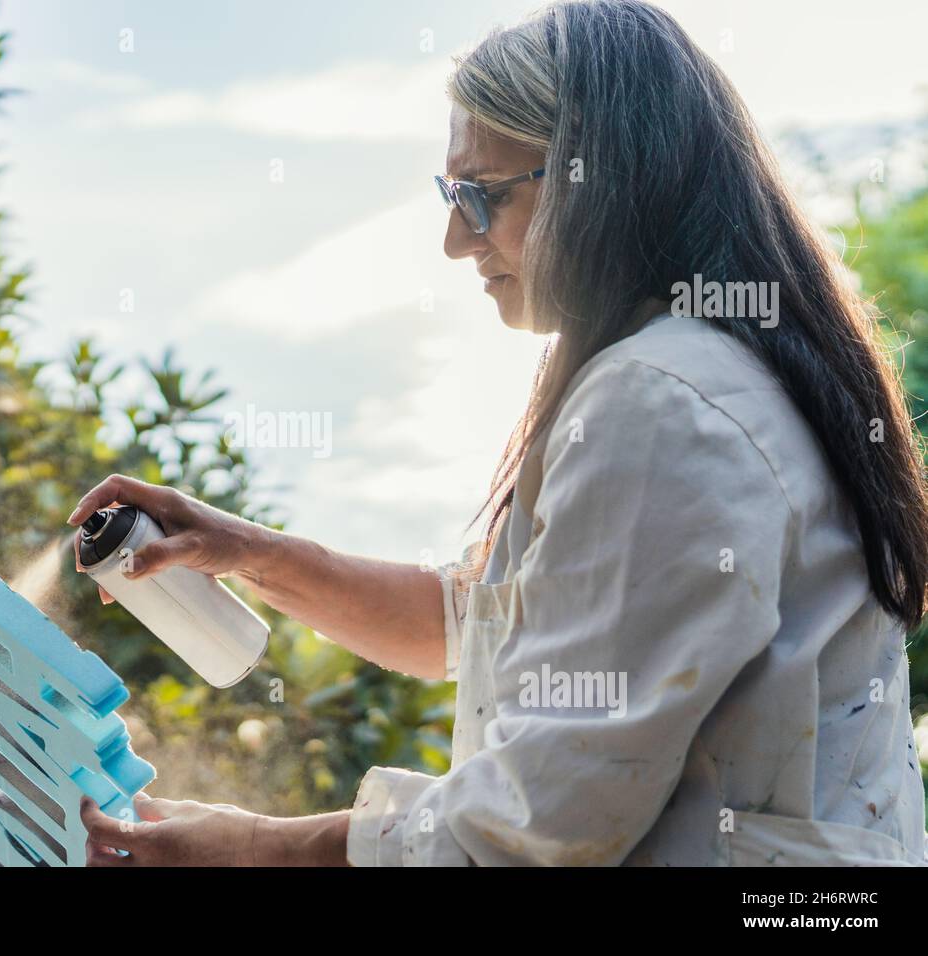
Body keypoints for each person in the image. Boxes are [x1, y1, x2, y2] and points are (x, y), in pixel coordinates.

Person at [70, 0, 928, 866]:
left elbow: (549, 814)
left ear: (607, 180)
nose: (453, 240)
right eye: (452, 195)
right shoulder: (701, 371)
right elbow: (481, 624)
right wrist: (249, 553)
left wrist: (257, 846)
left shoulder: (662, 400)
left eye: (481, 196)